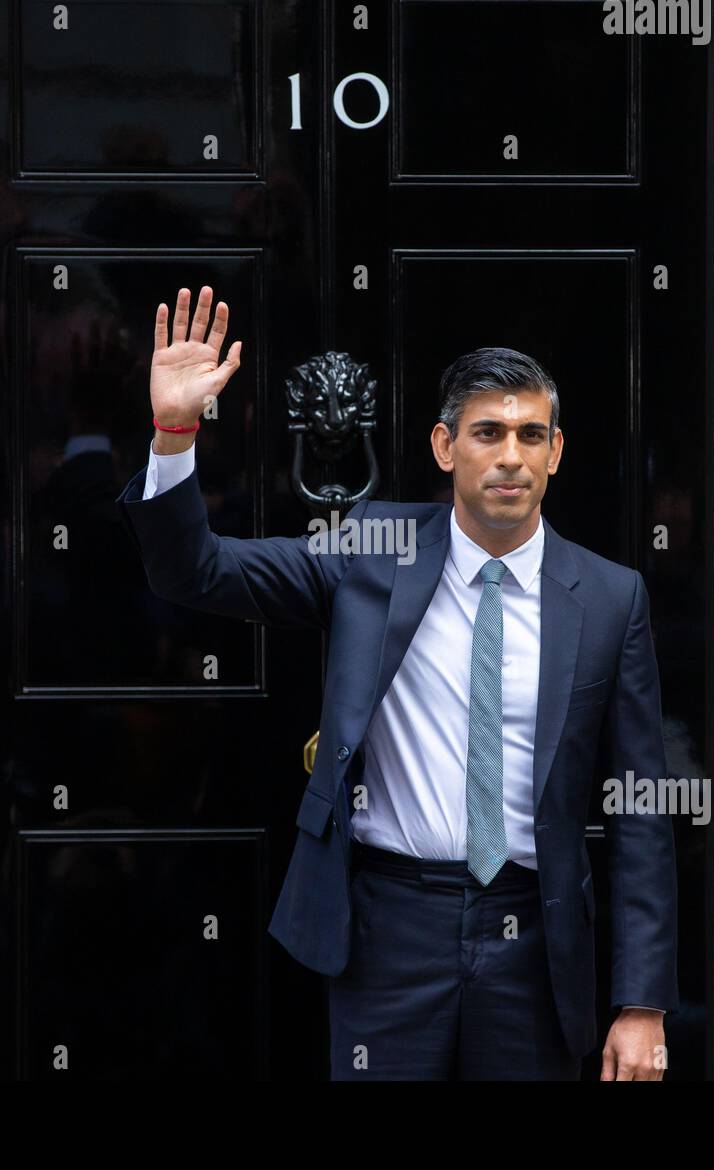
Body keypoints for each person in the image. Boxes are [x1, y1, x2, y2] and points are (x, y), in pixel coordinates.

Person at [118, 286, 678, 1080]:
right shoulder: (372, 553)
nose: (510, 455)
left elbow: (641, 813)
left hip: (538, 935)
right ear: (446, 447)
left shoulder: (611, 598)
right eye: (488, 433)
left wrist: (643, 1002)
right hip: (390, 928)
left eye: (530, 434)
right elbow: (196, 570)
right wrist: (175, 433)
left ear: (557, 452)